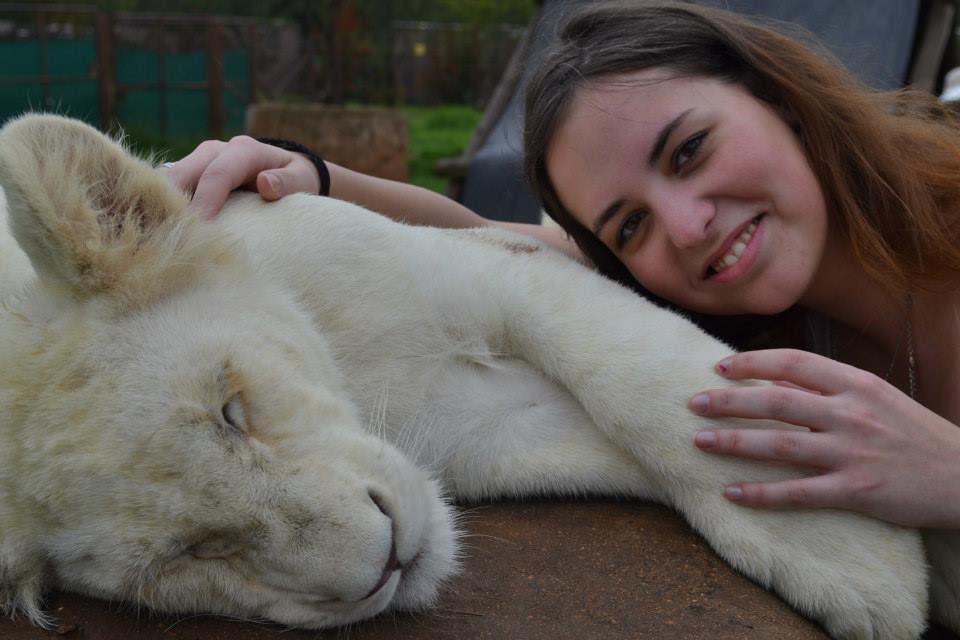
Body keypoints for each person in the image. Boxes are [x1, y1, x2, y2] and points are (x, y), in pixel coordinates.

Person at [162, 1, 960, 529]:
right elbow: (491, 240)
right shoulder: (734, 314)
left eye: (688, 150)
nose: (685, 229)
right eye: (630, 224)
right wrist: (309, 176)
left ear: (777, 97)